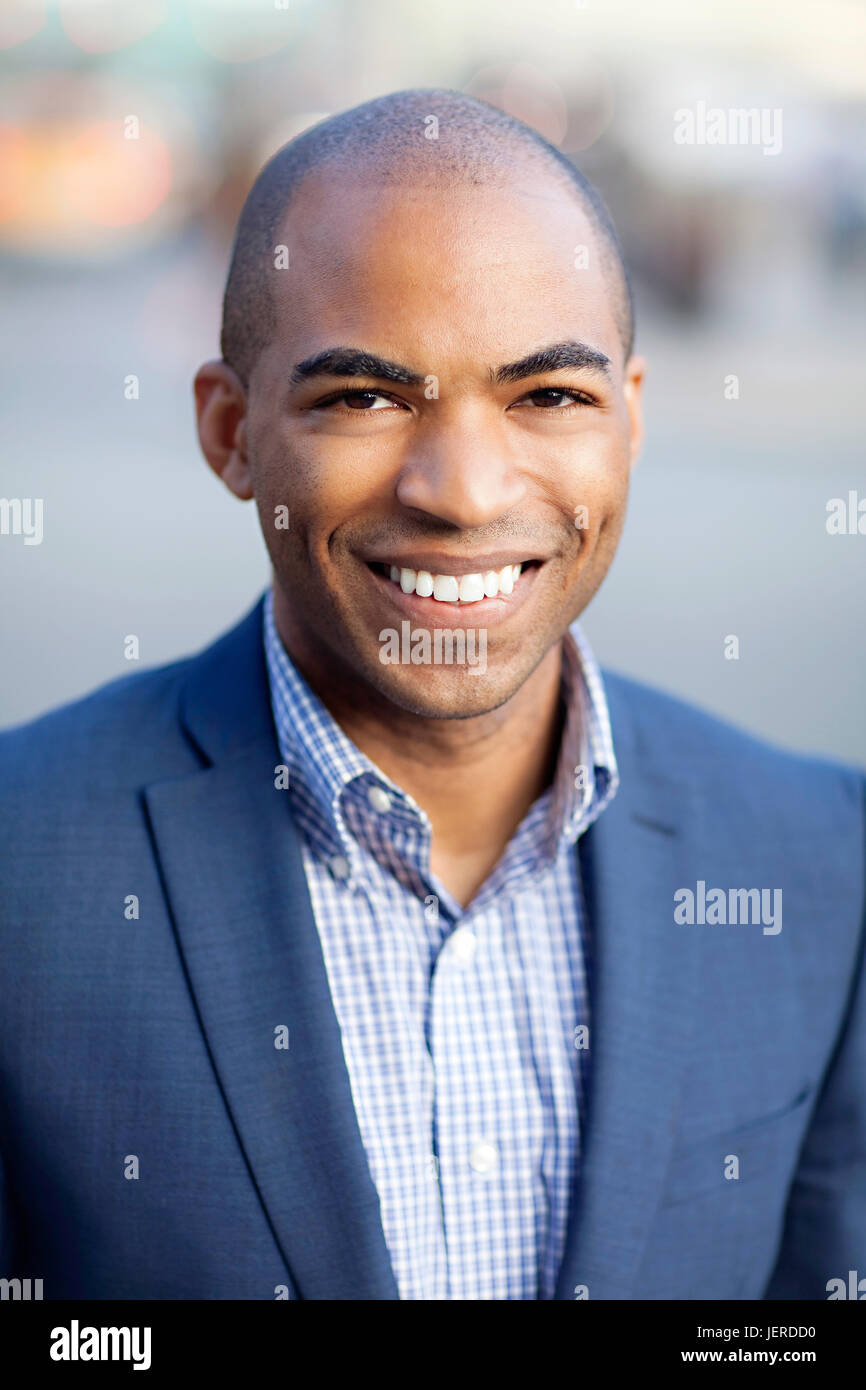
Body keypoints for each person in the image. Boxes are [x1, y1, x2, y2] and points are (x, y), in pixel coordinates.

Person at [1, 89, 863, 1302]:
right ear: (231, 430)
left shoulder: (821, 858)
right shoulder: (22, 864)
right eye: (363, 397)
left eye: (548, 396)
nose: (462, 491)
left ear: (629, 419)